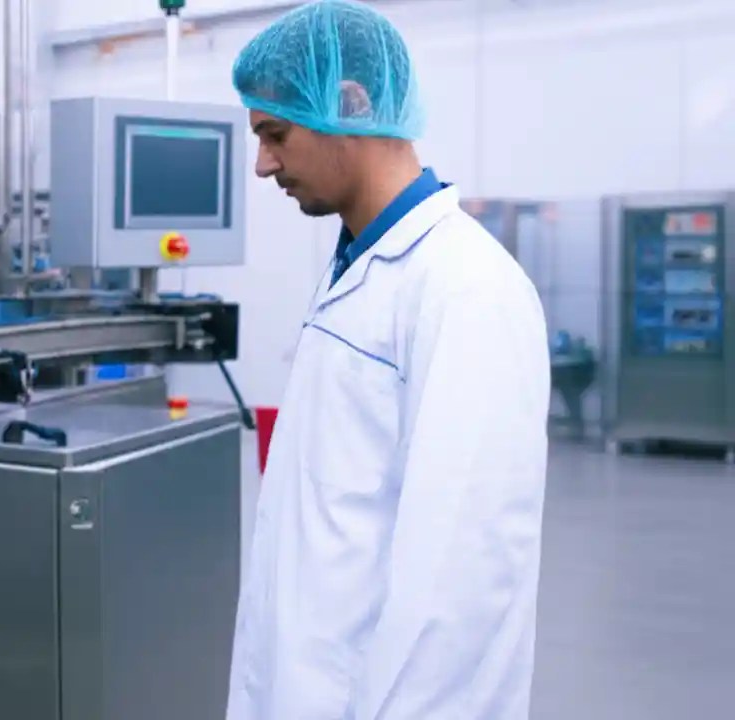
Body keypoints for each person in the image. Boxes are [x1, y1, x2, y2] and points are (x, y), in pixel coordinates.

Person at [225, 2, 550, 719]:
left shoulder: (468, 289)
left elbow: (461, 585)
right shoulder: (360, 266)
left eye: (274, 133)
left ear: (351, 105)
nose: (261, 164)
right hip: (310, 682)